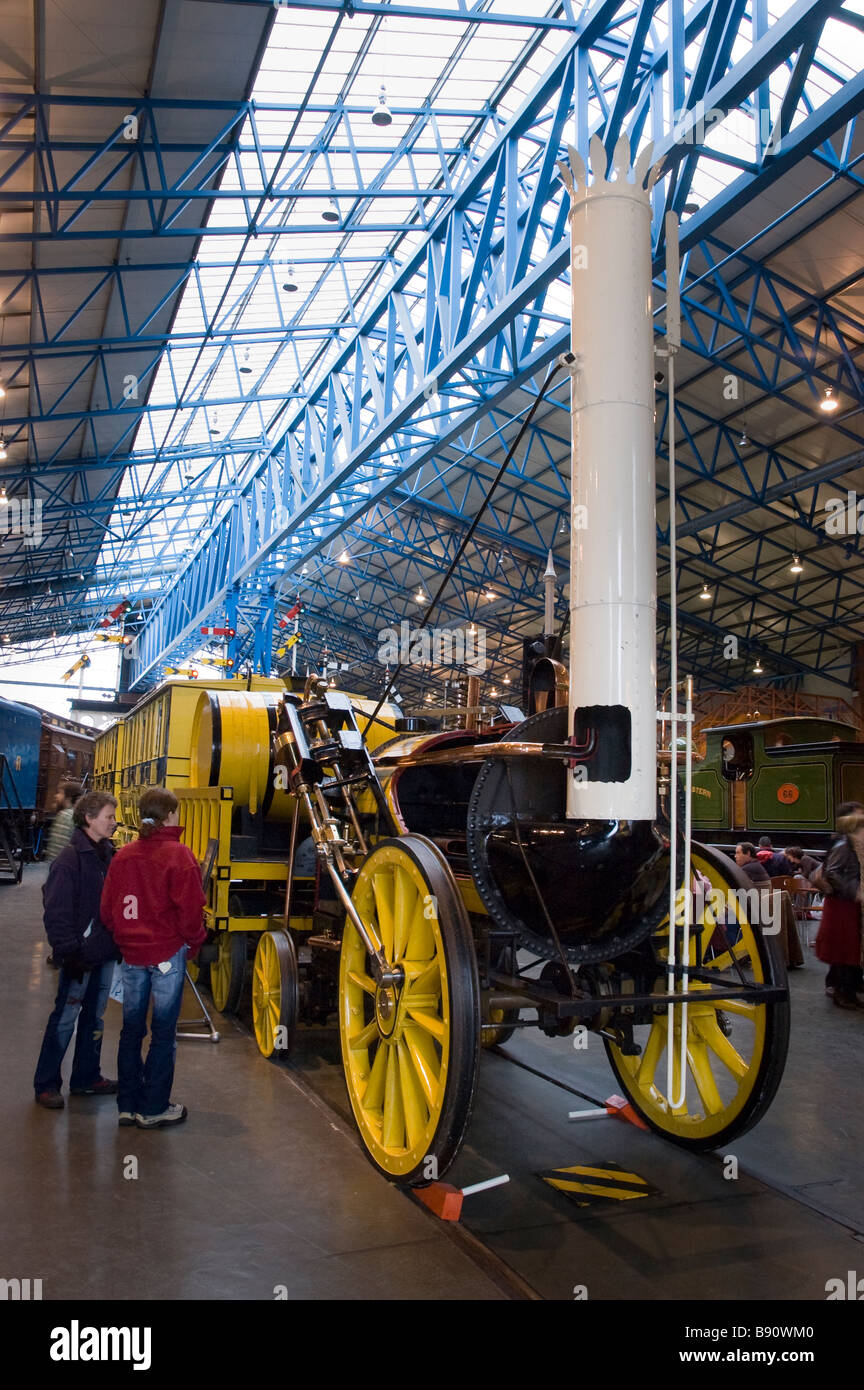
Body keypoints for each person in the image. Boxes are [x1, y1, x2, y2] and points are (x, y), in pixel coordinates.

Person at [100, 788, 206, 1129]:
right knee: (163, 1033)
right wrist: (194, 943)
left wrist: (123, 937)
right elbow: (191, 912)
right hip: (166, 955)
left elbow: (107, 910)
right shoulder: (180, 856)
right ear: (171, 815)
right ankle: (154, 1107)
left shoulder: (123, 856)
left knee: (131, 1031)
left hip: (132, 956)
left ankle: (127, 1106)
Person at [33, 792, 119, 1108]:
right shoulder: (70, 859)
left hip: (103, 953)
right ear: (89, 818)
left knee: (94, 1018)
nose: (113, 822)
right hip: (79, 957)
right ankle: (46, 1084)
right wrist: (69, 952)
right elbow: (56, 912)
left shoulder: (106, 854)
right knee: (66, 1018)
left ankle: (86, 1077)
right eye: (108, 816)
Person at [814, 801, 864, 1010]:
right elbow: (832, 873)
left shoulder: (851, 843)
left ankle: (844, 985)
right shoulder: (844, 845)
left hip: (847, 902)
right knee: (846, 947)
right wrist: (855, 892)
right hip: (844, 903)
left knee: (849, 948)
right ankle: (843, 991)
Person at [43, 782, 84, 862]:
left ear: (68, 798)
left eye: (60, 793)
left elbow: (58, 849)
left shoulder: (65, 816)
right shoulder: (76, 815)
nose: (56, 796)